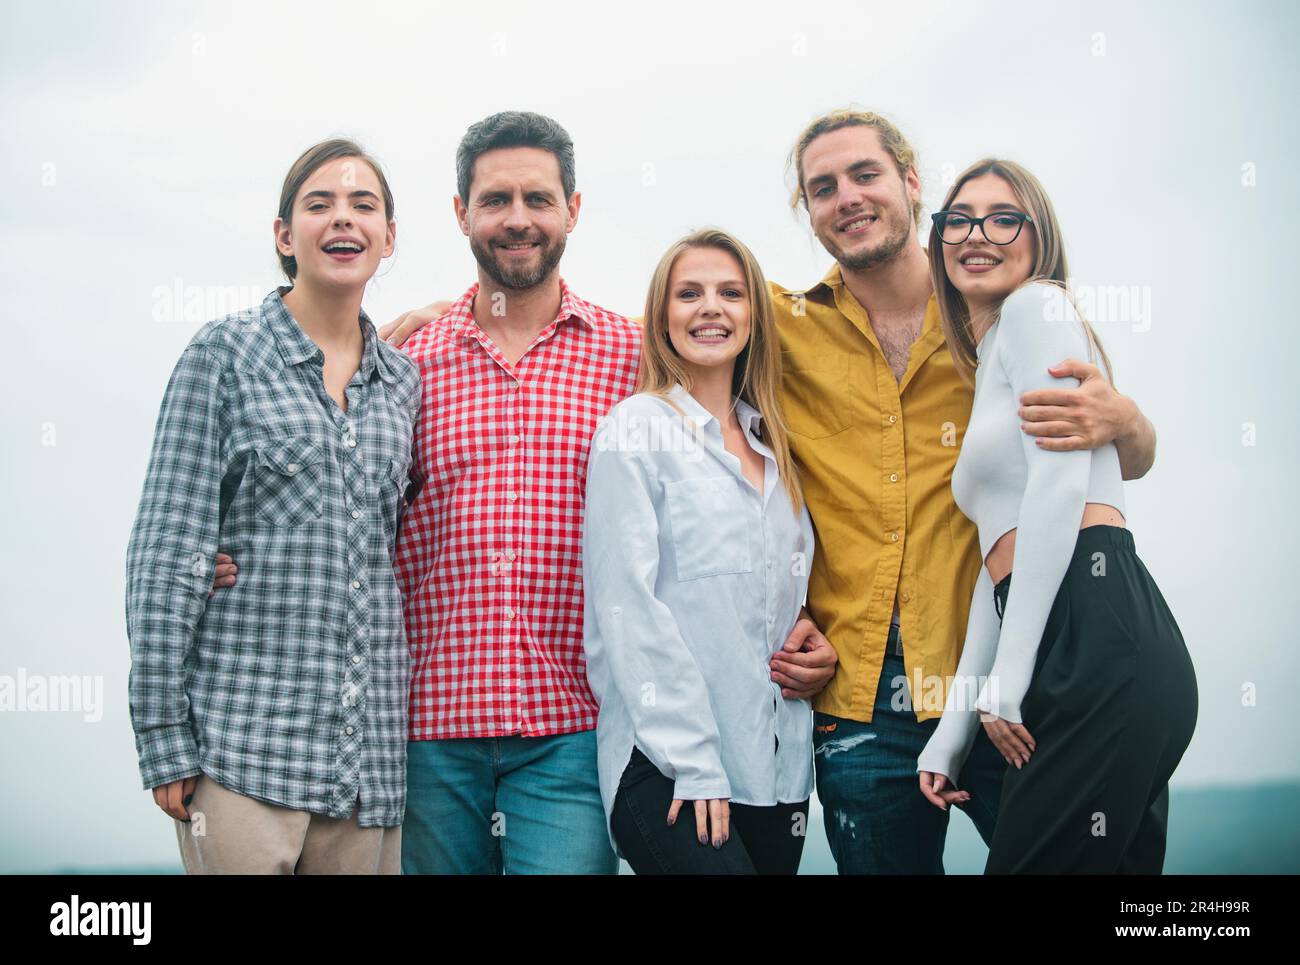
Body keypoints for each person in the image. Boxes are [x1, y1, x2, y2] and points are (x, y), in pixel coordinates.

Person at [381, 108, 1158, 874]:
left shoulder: (988, 319)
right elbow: (684, 332)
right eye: (823, 186)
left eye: (864, 175)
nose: (847, 197)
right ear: (808, 210)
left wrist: (1128, 420)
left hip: (982, 676)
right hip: (853, 708)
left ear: (912, 183)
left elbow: (1097, 455)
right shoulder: (786, 328)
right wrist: (427, 321)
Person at [125, 138, 420, 874]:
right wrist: (163, 735)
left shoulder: (404, 385)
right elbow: (168, 551)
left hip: (368, 776)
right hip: (243, 756)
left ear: (389, 236)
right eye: (319, 204)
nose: (342, 219)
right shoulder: (221, 357)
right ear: (285, 235)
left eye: (363, 205)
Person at [915, 158, 1198, 873]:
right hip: (1067, 635)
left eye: (1004, 217)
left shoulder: (1035, 309)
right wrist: (955, 725)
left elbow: (1059, 486)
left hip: (1096, 628)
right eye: (959, 219)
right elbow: (996, 564)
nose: (978, 233)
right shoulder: (991, 359)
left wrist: (1008, 681)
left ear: (1039, 238)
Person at [583, 229, 814, 874]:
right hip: (669, 765)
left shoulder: (778, 447)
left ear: (754, 315)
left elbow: (778, 597)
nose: (711, 307)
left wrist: (812, 633)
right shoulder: (636, 429)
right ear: (661, 317)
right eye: (689, 293)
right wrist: (694, 760)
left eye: (731, 293)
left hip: (776, 770)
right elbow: (628, 606)